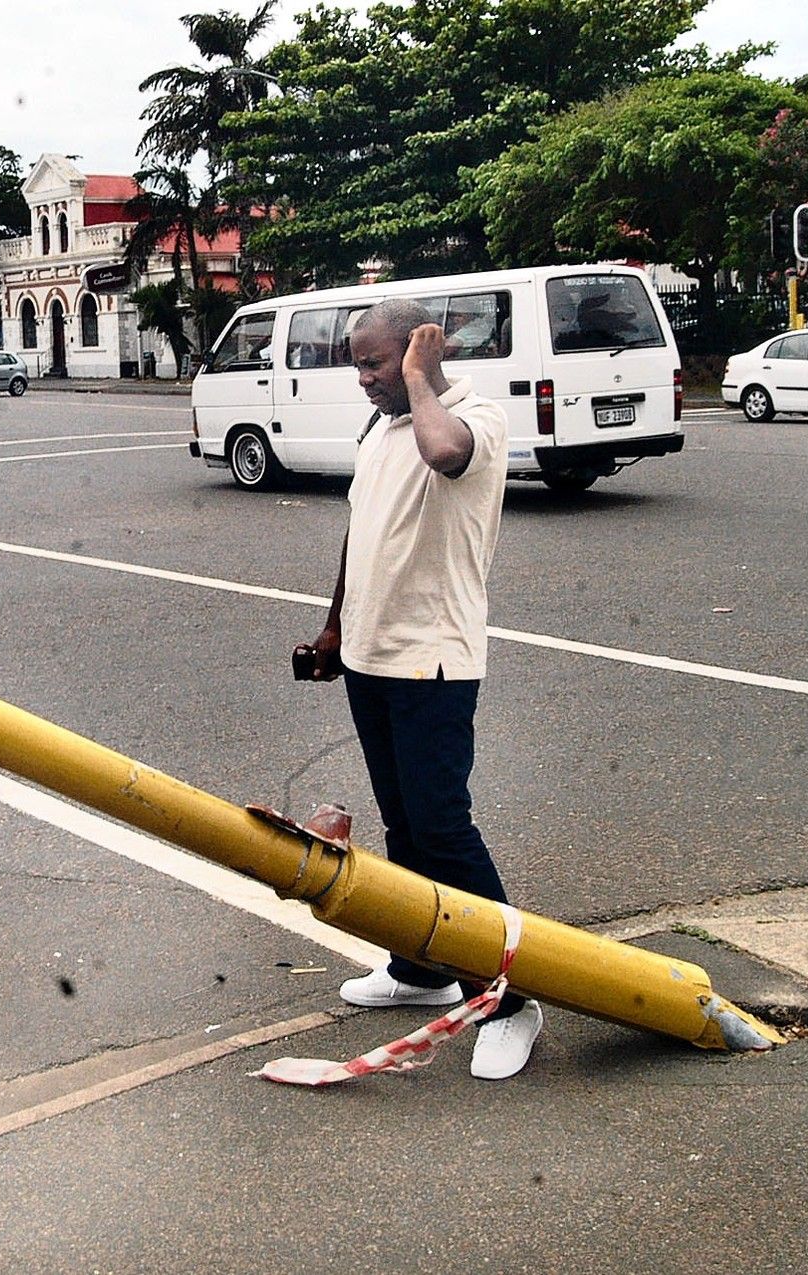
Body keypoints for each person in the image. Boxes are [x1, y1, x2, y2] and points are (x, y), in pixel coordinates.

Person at [295, 297, 542, 1081]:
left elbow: (445, 455)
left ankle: (510, 998)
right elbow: (359, 528)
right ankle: (420, 966)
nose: (363, 378)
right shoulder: (382, 429)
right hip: (371, 656)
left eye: (376, 362)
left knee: (442, 828)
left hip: (432, 659)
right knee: (403, 826)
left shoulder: (471, 418)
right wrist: (335, 628)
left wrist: (420, 380)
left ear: (419, 354)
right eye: (358, 363)